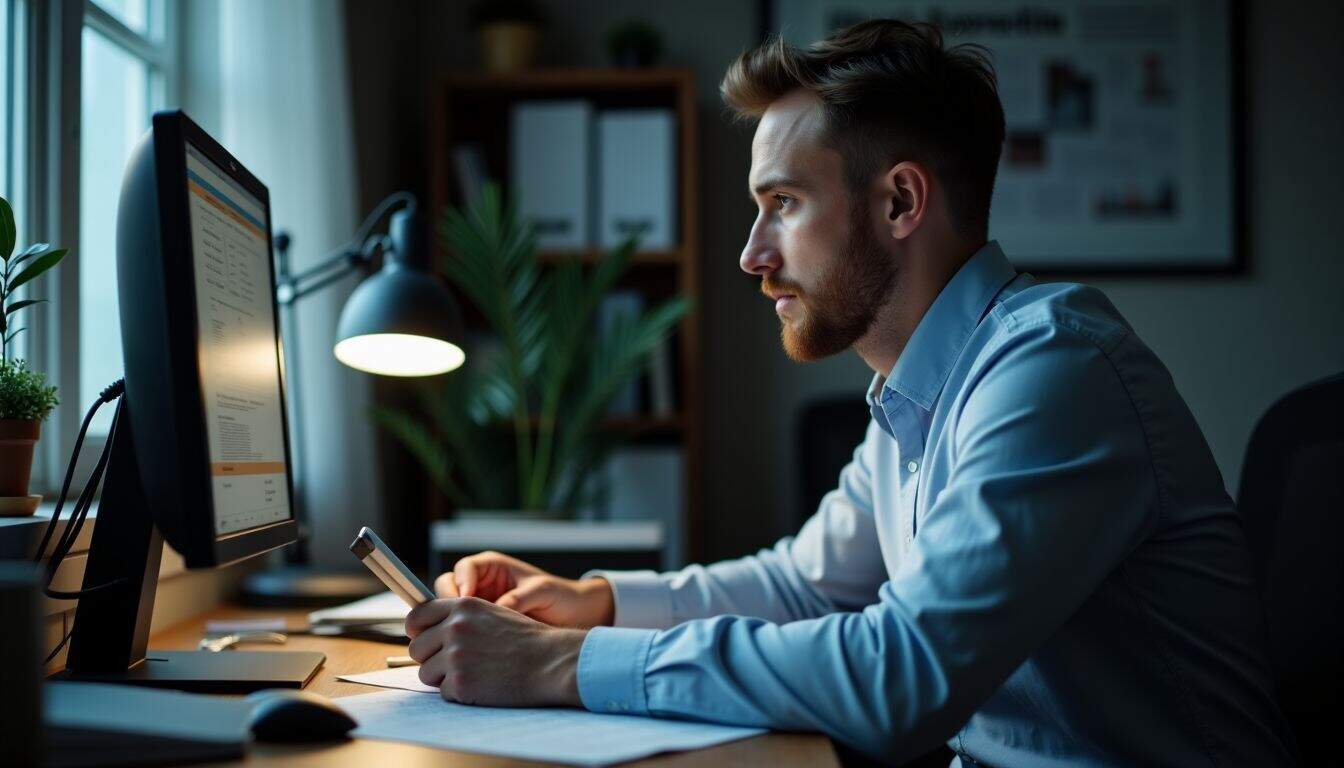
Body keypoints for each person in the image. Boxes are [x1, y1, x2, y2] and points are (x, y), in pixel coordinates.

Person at [405, 19, 1294, 766]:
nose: (753, 254)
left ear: (900, 202)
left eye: (782, 202)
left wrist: (566, 663)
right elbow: (807, 586)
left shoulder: (1052, 372)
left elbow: (897, 676)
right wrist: (593, 600)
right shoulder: (918, 387)